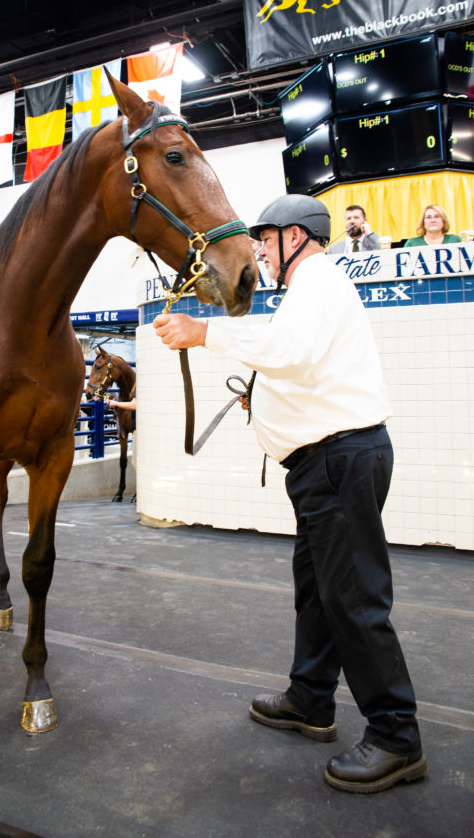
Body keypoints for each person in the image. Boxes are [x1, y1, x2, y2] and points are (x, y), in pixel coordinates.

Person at [153, 194, 427, 795]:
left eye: (266, 238)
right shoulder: (309, 292)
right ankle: (310, 699)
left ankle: (397, 738)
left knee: (353, 598)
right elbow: (302, 367)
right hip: (325, 464)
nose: (258, 250)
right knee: (319, 592)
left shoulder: (319, 284)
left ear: (296, 237)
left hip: (339, 461)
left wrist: (204, 332)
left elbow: (290, 353)